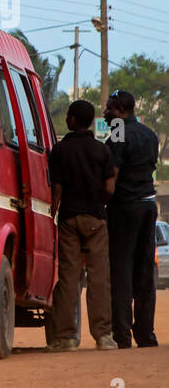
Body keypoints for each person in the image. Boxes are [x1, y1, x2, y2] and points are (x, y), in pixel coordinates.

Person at [47, 99, 117, 350]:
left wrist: (53, 211)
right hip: (96, 219)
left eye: (68, 115)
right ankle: (103, 336)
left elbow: (57, 188)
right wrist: (99, 203)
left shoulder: (60, 150)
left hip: (68, 219)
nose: (66, 119)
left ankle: (67, 337)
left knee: (69, 278)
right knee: (99, 278)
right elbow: (110, 187)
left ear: (73, 120)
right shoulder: (101, 150)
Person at [104, 90, 160, 348]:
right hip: (148, 205)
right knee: (145, 270)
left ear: (121, 111)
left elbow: (112, 178)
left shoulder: (118, 132)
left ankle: (122, 335)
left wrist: (101, 199)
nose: (105, 114)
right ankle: (146, 334)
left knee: (122, 270)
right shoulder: (149, 134)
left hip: (125, 208)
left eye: (109, 109)